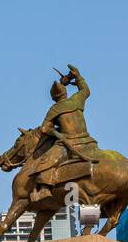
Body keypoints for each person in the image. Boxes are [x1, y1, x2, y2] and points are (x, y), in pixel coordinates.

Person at [21, 64, 102, 202]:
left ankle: (45, 189)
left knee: (45, 161)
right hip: (88, 141)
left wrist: (57, 133)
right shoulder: (77, 99)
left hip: (69, 143)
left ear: (53, 97)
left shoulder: (55, 108)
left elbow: (44, 129)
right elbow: (86, 90)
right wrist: (75, 77)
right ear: (65, 93)